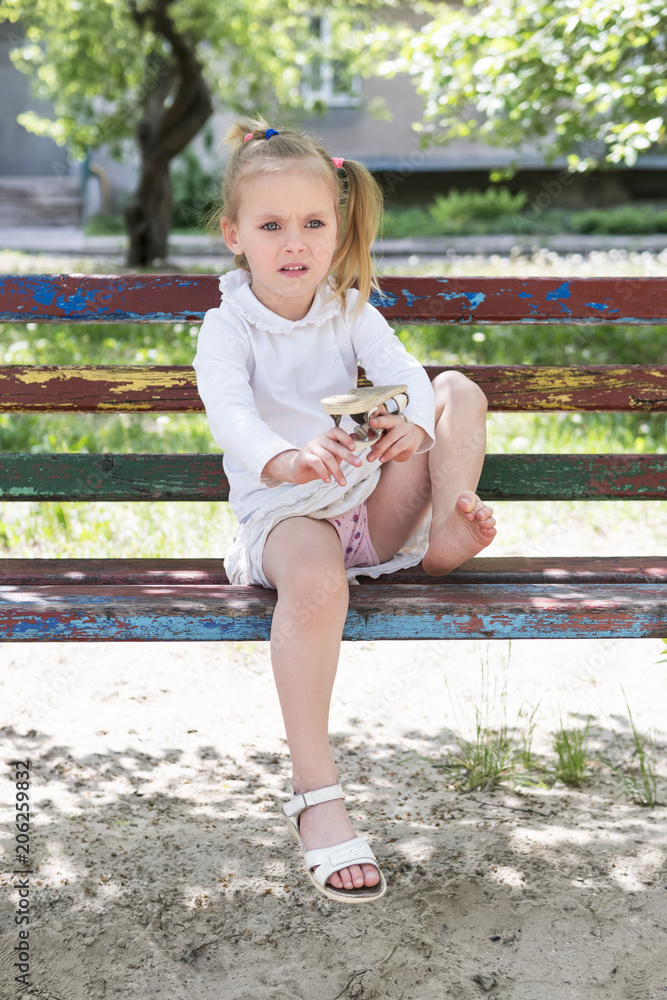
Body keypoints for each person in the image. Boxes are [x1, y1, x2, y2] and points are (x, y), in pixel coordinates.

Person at [193, 116, 496, 904]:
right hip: (287, 518)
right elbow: (231, 417)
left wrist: (408, 425)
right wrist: (288, 458)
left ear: (336, 228)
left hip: (369, 506)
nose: (293, 243)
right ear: (234, 235)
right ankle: (316, 794)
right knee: (318, 584)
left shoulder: (350, 309)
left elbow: (404, 375)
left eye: (312, 224)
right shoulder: (226, 329)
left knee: (455, 388)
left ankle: (448, 527)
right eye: (270, 226)